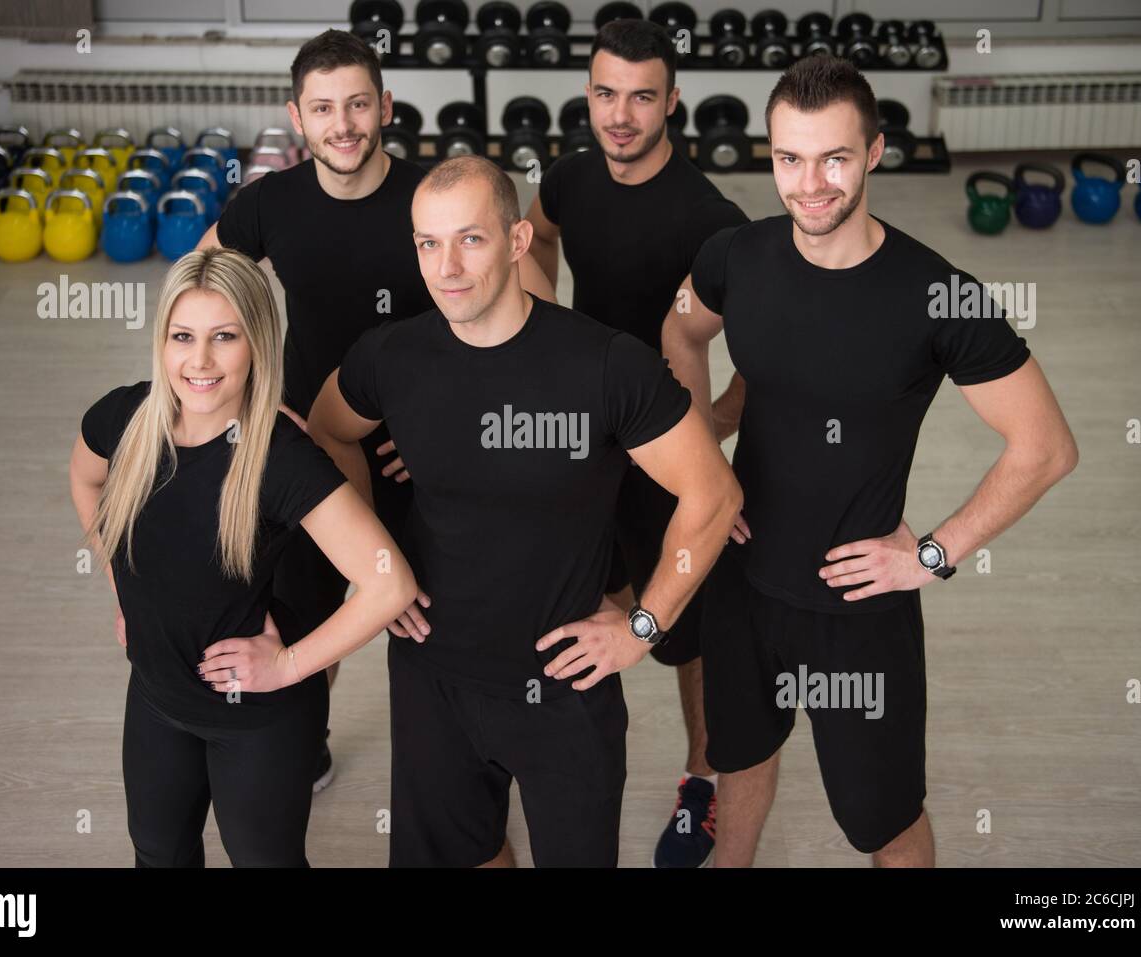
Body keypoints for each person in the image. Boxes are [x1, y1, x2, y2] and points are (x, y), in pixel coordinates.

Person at [661, 56, 1079, 867]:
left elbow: (1046, 447)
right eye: (789, 158)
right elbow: (681, 331)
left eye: (834, 158)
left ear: (875, 152)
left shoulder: (935, 293)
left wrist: (932, 554)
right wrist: (703, 465)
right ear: (769, 156)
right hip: (739, 578)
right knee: (736, 753)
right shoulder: (734, 258)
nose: (810, 183)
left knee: (882, 817)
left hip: (857, 604)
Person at [308, 156, 743, 867]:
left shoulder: (605, 364)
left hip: (565, 682)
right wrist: (376, 566)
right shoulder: (391, 358)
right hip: (432, 676)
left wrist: (644, 625)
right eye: (427, 243)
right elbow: (326, 431)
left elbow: (715, 494)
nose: (446, 266)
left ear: (515, 241)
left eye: (470, 240)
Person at [197, 29, 554, 789]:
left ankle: (480, 763)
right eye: (324, 108)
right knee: (307, 610)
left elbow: (536, 320)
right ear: (297, 117)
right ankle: (306, 739)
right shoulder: (268, 204)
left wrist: (455, 421)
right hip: (307, 445)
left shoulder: (434, 201)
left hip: (429, 448)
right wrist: (258, 405)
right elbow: (200, 303)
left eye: (359, 103)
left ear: (386, 105)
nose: (344, 123)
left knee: (435, 613)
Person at [68, 247, 417, 866]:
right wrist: (125, 591)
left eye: (223, 337)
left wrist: (287, 665)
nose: (198, 361)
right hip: (155, 695)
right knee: (157, 850)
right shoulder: (123, 417)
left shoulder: (281, 458)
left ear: (256, 343)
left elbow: (386, 582)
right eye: (183, 336)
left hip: (258, 718)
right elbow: (86, 482)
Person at [518, 17, 748, 867]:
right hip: (581, 437)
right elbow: (534, 234)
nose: (620, 115)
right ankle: (572, 752)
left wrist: (720, 417)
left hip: (664, 446)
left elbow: (767, 338)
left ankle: (701, 781)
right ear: (588, 92)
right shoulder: (570, 180)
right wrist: (551, 324)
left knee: (686, 631)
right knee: (586, 594)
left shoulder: (710, 217)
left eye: (641, 97)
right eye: (605, 93)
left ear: (673, 102)